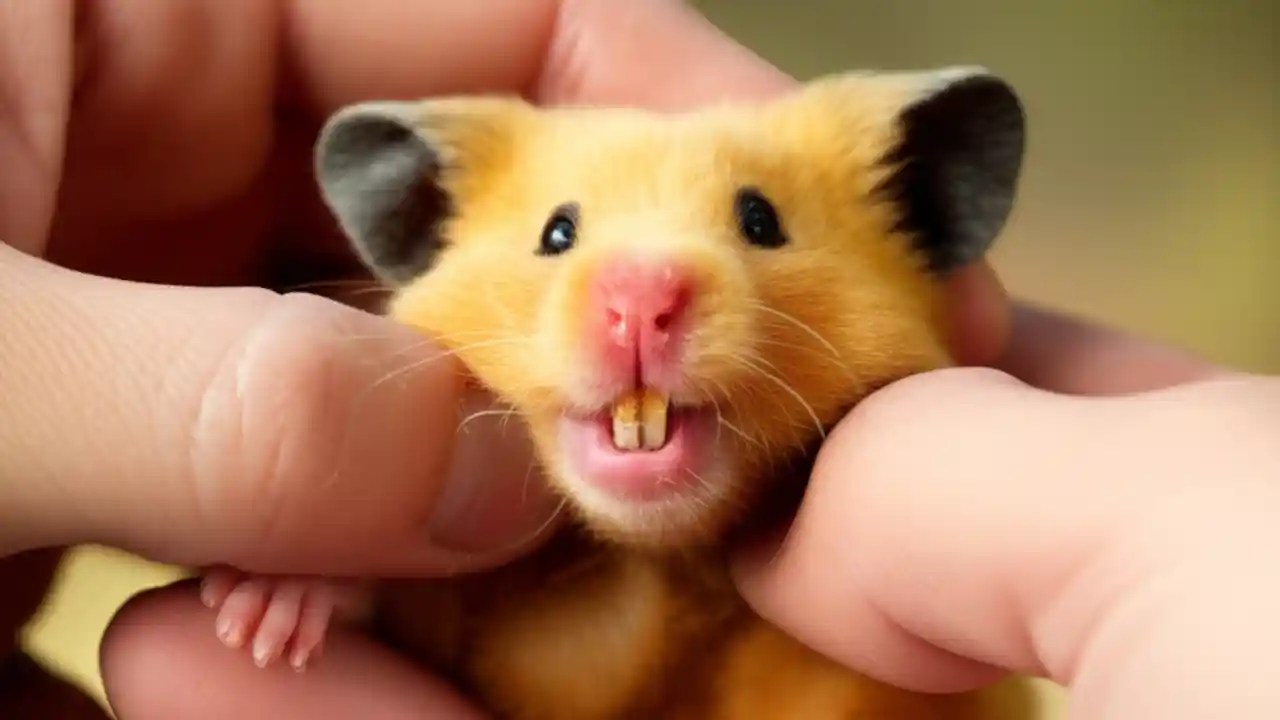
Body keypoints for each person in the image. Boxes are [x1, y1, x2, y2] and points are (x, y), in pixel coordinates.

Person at [0, 1, 1275, 718]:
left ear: (929, 211)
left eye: (760, 226)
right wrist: (330, 583)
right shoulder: (424, 517)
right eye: (556, 236)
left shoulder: (915, 556)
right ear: (408, 226)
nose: (641, 290)